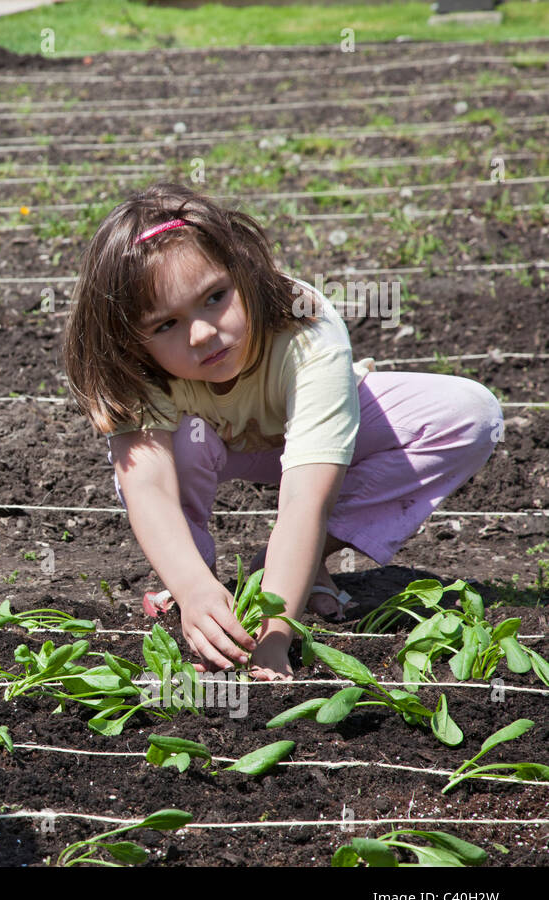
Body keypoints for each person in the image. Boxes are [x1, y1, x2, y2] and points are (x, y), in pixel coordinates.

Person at [63, 183, 502, 681]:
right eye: (166, 324)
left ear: (243, 270)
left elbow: (303, 501)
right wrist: (190, 586)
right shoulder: (135, 366)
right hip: (213, 443)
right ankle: (200, 591)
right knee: (175, 450)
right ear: (130, 339)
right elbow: (149, 488)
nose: (202, 332)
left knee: (470, 415)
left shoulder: (303, 326)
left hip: (318, 443)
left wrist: (275, 637)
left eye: (215, 297)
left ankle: (288, 562)